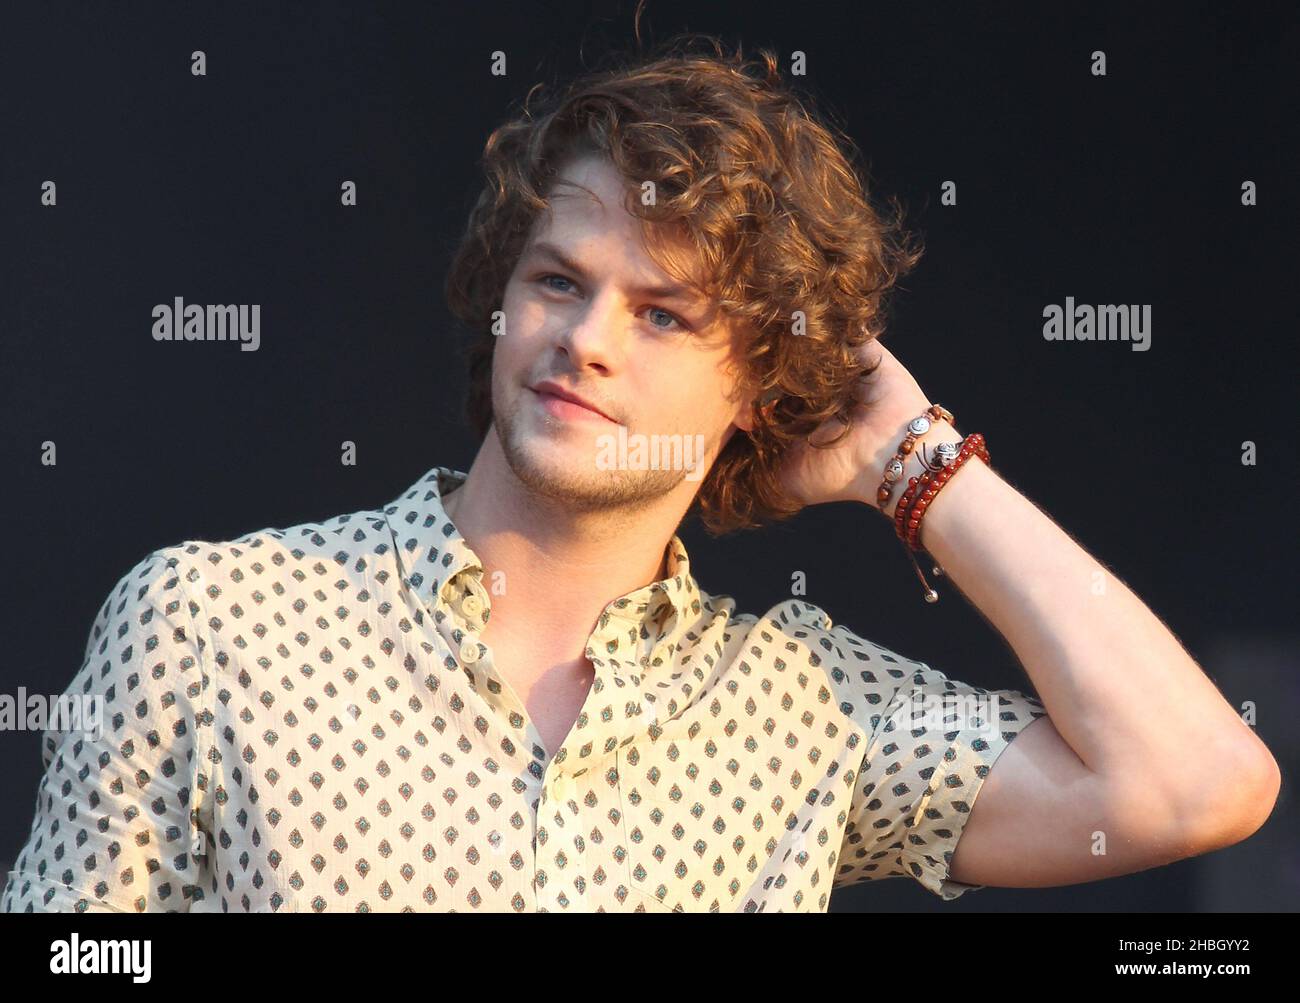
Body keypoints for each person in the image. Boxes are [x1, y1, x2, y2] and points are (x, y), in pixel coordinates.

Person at [2, 39, 1278, 913]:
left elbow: (1195, 781)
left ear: (760, 391)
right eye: (558, 279)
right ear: (503, 296)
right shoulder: (212, 621)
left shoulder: (805, 711)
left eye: (664, 313)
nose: (588, 337)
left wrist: (916, 466)